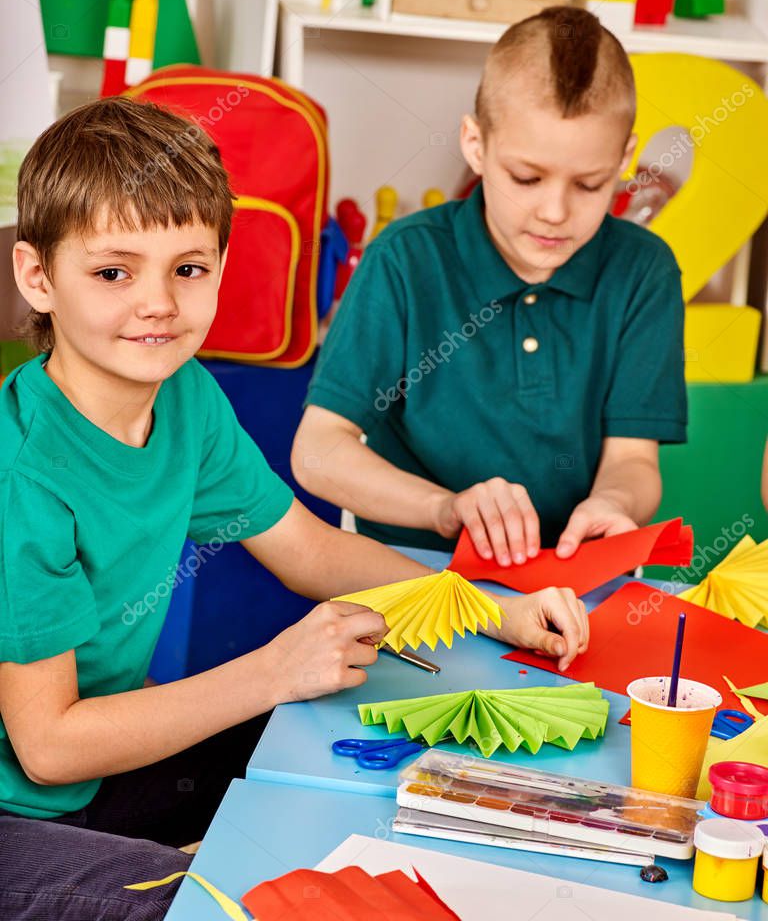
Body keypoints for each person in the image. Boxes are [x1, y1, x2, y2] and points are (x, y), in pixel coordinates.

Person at [0, 97, 589, 920]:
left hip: (97, 780)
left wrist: (491, 608)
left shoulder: (186, 400)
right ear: (38, 277)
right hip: (20, 809)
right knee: (208, 901)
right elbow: (48, 744)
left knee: (357, 764)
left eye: (189, 268)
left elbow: (309, 551)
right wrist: (273, 668)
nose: (159, 303)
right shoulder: (23, 475)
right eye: (113, 272)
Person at [293, 6, 687, 568]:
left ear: (624, 160)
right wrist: (446, 508)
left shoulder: (643, 270)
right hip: (414, 576)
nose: (554, 212)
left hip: (573, 580)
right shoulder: (405, 260)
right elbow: (318, 451)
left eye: (590, 184)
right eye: (526, 178)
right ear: (475, 144)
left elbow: (633, 460)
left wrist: (612, 503)